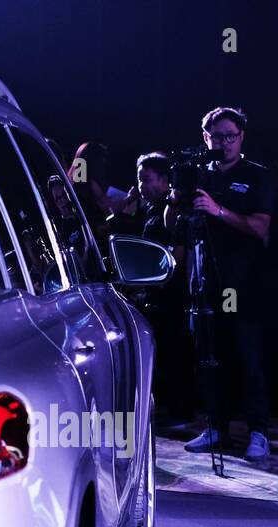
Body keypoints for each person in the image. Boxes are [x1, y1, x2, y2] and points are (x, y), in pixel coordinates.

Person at [165, 107, 276, 463]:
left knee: (248, 356)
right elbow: (174, 227)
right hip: (203, 282)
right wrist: (174, 199)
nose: (223, 142)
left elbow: (261, 229)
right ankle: (216, 425)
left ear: (242, 136)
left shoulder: (256, 176)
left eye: (230, 135)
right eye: (217, 136)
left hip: (242, 282)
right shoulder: (200, 175)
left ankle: (258, 431)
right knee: (209, 357)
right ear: (205, 138)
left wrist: (218, 211)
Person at [111, 153, 197, 425]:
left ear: (164, 180)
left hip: (174, 294)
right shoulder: (147, 209)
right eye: (139, 179)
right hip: (153, 294)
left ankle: (182, 412)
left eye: (146, 180)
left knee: (176, 353)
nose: (141, 186)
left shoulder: (175, 209)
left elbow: (176, 252)